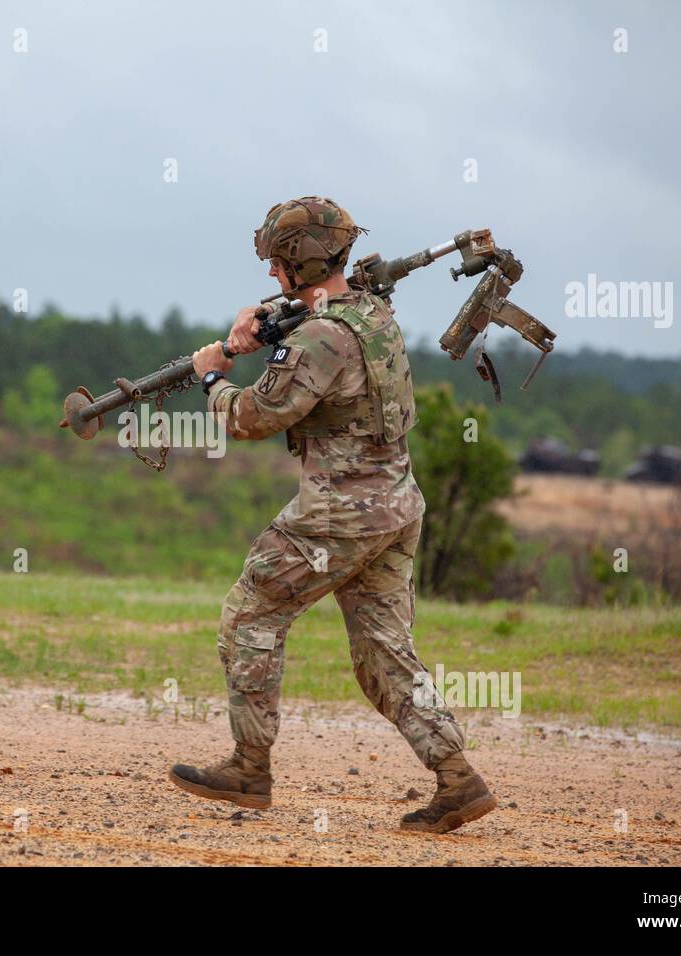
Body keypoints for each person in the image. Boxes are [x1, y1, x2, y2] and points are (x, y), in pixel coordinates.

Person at [168, 197, 495, 833]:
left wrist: (213, 377)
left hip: (339, 512)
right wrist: (263, 321)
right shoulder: (371, 312)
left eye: (275, 265)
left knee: (251, 613)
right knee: (382, 650)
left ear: (297, 263)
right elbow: (316, 328)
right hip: (397, 504)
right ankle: (458, 779)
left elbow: (253, 417)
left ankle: (248, 767)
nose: (269, 276)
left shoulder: (321, 335)